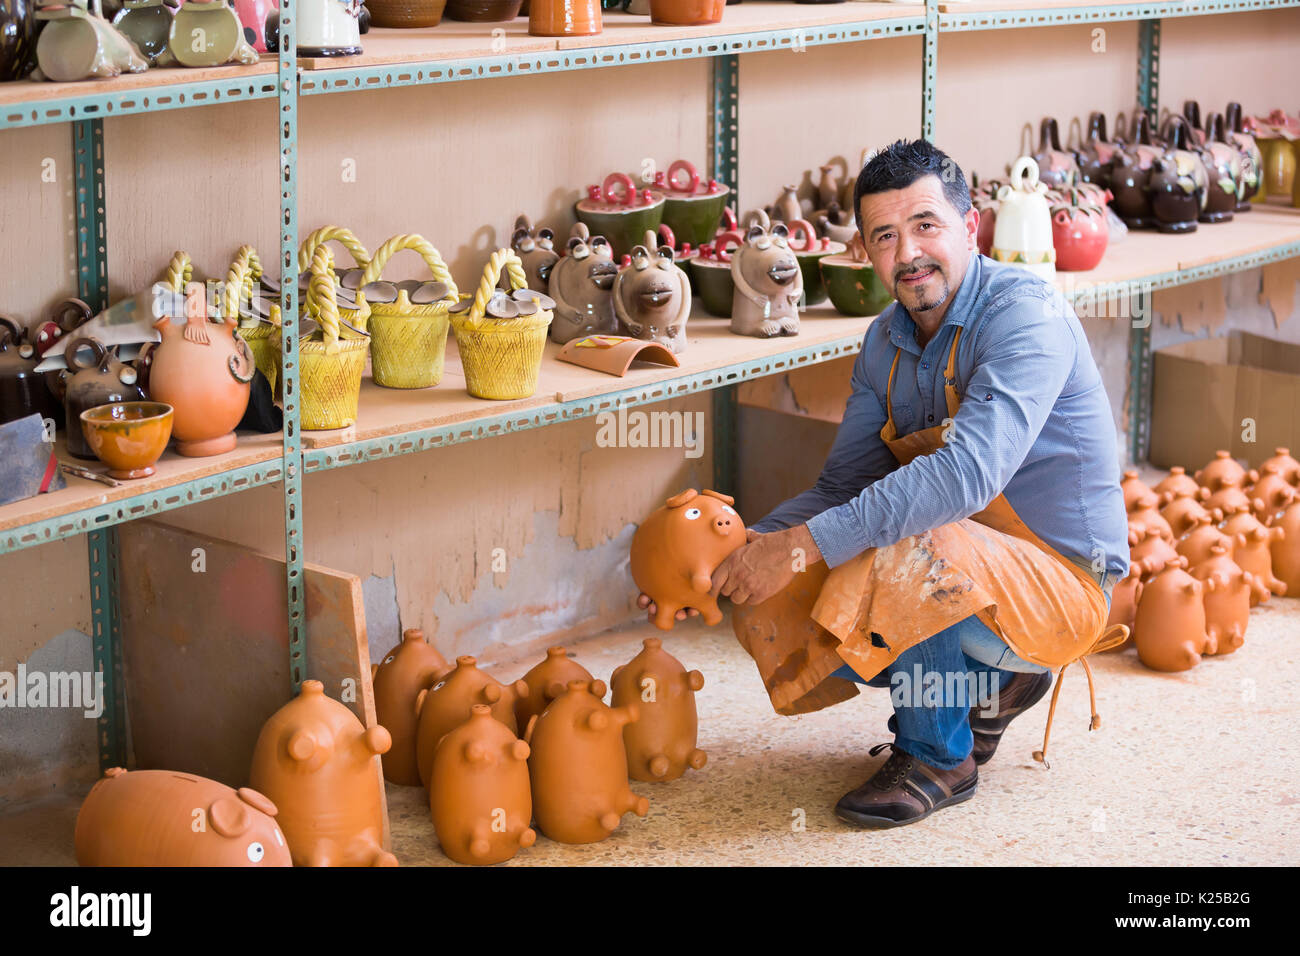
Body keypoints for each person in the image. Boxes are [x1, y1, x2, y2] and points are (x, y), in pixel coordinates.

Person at [639, 139, 1130, 829]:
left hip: (1064, 580)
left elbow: (964, 477)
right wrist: (736, 556)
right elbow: (844, 484)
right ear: (865, 251)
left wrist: (803, 545)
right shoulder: (884, 343)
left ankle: (937, 756)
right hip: (969, 564)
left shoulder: (1026, 316)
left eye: (926, 225)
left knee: (898, 532)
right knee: (776, 588)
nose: (909, 253)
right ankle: (988, 686)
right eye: (885, 236)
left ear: (969, 225)